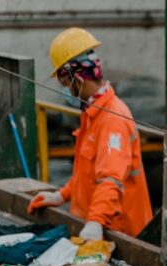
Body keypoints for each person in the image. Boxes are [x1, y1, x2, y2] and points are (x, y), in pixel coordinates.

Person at [28, 28, 153, 240]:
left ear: (77, 78)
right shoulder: (92, 114)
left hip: (119, 231)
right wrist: (62, 195)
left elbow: (111, 179)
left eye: (65, 84)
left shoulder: (112, 119)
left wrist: (95, 222)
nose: (66, 90)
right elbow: (87, 172)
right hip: (101, 225)